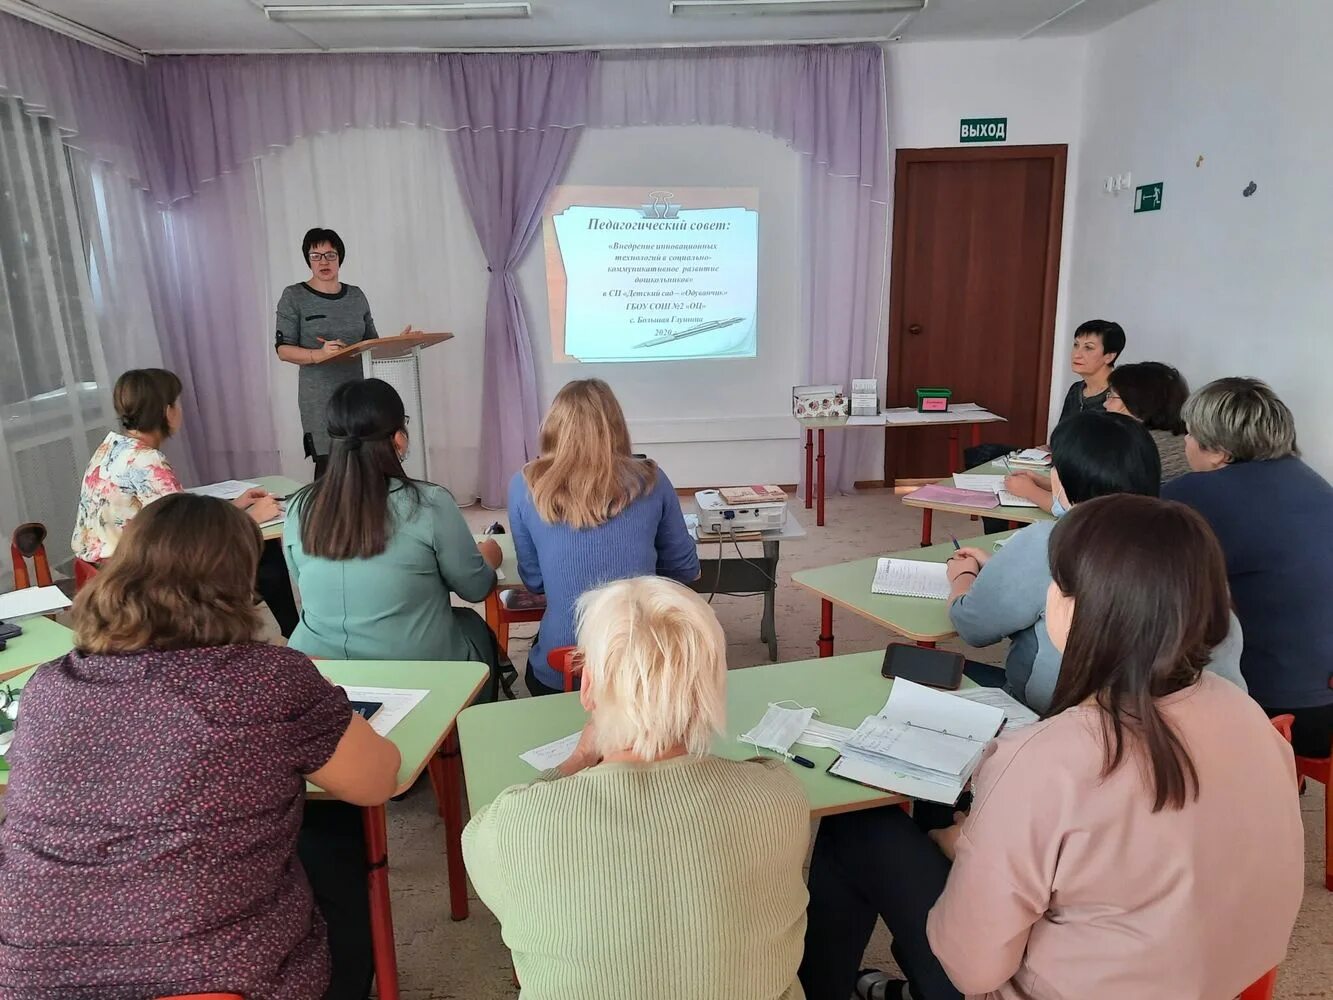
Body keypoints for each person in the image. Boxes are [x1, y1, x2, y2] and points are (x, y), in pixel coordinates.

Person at [799, 495, 1305, 1000]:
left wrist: (961, 848)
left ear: (1072, 607)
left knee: (857, 829)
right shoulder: (1247, 714)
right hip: (1230, 982)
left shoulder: (1046, 758)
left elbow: (971, 969)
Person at [0, 493, 401, 1000]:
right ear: (238, 581)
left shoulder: (50, 685)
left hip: (31, 976)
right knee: (336, 830)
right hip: (219, 974)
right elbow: (376, 781)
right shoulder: (268, 678)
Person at [463, 576, 809, 1000]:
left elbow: (487, 858)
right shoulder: (781, 797)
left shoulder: (511, 828)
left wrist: (575, 761)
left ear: (587, 685)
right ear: (711, 691)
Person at [947, 411, 1246, 712]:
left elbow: (972, 626)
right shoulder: (1192, 545)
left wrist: (963, 576)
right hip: (1191, 723)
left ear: (1062, 482)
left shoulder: (1052, 543)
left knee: (914, 671)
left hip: (1050, 720)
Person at [283, 379, 505, 695]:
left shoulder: (298, 506)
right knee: (474, 628)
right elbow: (475, 587)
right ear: (399, 439)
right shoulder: (429, 503)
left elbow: (304, 586)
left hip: (317, 668)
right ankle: (466, 732)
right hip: (411, 670)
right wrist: (489, 554)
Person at [1165, 377, 1333, 757]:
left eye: (1189, 434)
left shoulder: (1195, 496)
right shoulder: (1315, 484)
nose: (1185, 444)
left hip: (1279, 711)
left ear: (1220, 452)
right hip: (1319, 700)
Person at [72, 368, 299, 637]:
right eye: (177, 404)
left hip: (101, 565)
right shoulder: (148, 461)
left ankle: (290, 633)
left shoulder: (112, 447)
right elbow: (183, 537)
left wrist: (233, 507)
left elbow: (170, 510)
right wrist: (251, 519)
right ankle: (293, 636)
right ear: (167, 411)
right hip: (139, 572)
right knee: (264, 553)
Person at [508, 379, 700, 696]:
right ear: (617, 428)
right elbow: (685, 569)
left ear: (553, 428)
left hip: (560, 669)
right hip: (638, 669)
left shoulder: (523, 485)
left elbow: (535, 582)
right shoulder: (652, 479)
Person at [275, 227, 379, 479]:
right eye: (316, 255)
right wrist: (317, 355)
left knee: (366, 464)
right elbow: (283, 350)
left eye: (330, 255)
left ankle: (365, 517)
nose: (323, 262)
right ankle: (327, 519)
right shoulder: (294, 296)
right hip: (320, 398)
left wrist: (404, 340)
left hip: (358, 395)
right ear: (308, 259)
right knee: (330, 469)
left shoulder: (356, 295)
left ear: (340, 258)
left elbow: (372, 343)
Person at [1001, 319, 1126, 512]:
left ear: (1109, 356)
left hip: (1090, 477)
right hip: (1061, 465)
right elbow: (1061, 437)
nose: (1077, 353)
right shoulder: (1077, 389)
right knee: (991, 458)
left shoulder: (1118, 398)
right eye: (1076, 345)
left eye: (1088, 348)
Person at [1105, 361, 1191, 482]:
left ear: (1137, 404)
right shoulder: (1191, 445)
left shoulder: (1131, 451)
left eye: (1112, 396)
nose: (1105, 404)